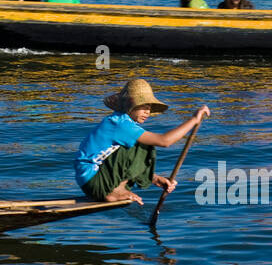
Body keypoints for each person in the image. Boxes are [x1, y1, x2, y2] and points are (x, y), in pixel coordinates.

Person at [74, 78, 210, 205]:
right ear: (131, 105)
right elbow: (165, 141)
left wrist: (155, 178)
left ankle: (119, 187)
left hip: (93, 182)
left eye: (149, 108)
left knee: (139, 144)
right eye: (143, 107)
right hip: (95, 181)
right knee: (143, 146)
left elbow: (127, 163)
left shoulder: (121, 122)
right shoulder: (120, 124)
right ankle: (115, 191)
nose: (147, 112)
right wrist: (194, 120)